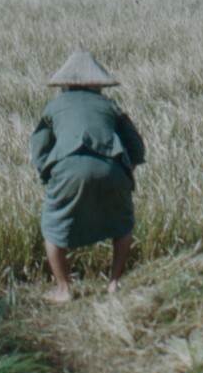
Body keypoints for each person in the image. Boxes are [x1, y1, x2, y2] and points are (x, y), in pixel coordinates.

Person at [29, 49, 147, 301]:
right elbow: (136, 146)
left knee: (53, 225)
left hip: (68, 169)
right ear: (98, 84)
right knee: (122, 222)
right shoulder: (110, 106)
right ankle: (115, 283)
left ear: (65, 84)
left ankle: (64, 289)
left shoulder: (54, 106)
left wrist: (49, 177)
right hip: (112, 167)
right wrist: (123, 171)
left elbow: (39, 148)